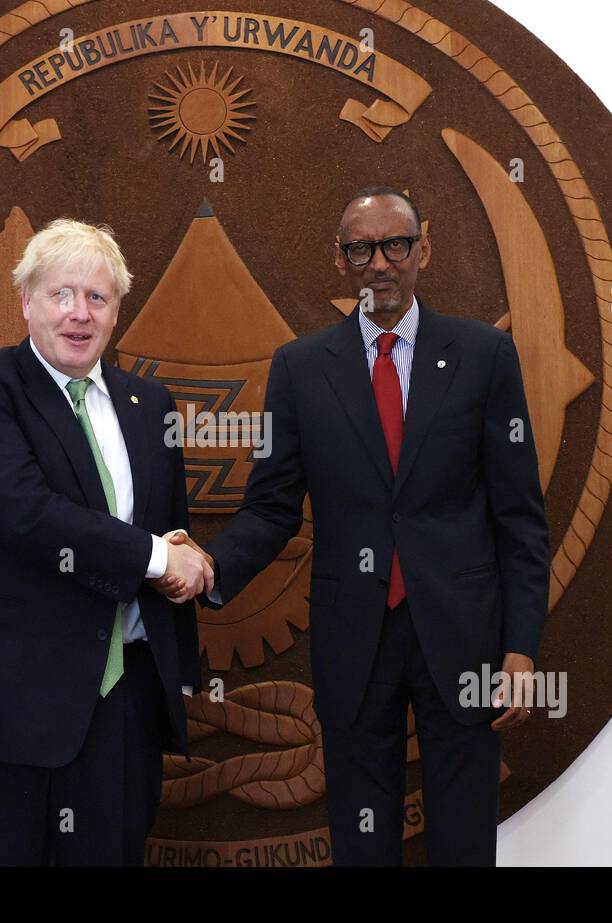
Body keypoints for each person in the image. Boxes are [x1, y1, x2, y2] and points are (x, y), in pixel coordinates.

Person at [158, 187, 550, 865]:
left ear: (423, 250)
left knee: (463, 839)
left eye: (395, 244)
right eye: (361, 249)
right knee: (362, 843)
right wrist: (215, 567)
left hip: (464, 638)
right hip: (353, 638)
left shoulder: (485, 355)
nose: (379, 263)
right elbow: (273, 506)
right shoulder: (302, 368)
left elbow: (520, 519)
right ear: (340, 260)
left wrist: (520, 648)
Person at [0, 219, 211, 866]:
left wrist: (175, 552)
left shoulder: (151, 404)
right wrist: (162, 557)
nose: (78, 313)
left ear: (115, 312)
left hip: (121, 712)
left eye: (97, 298)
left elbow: (161, 529)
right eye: (60, 294)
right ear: (26, 301)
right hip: (6, 713)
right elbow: (21, 513)